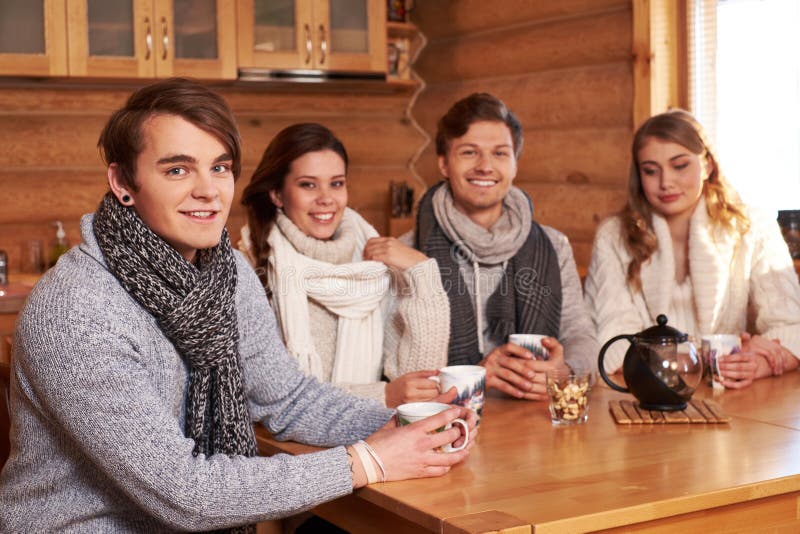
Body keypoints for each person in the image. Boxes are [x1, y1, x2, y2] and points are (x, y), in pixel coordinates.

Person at [0, 78, 476, 532]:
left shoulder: (226, 273)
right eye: (177, 169)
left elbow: (288, 400)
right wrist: (368, 461)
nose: (208, 190)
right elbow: (183, 492)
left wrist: (409, 424)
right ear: (123, 181)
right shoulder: (76, 310)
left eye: (220, 167)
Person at [239, 123, 452, 408]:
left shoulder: (373, 268)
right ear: (277, 194)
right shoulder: (250, 268)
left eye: (336, 183)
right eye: (308, 184)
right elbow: (266, 397)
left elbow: (419, 386)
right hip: (286, 438)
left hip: (374, 431)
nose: (326, 198)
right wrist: (381, 396)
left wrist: (423, 272)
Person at [584, 109, 800, 388]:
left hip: (731, 395)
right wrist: (708, 357)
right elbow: (612, 344)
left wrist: (760, 361)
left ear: (708, 165)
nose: (666, 182)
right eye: (650, 170)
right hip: (643, 396)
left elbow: (792, 328)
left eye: (680, 165)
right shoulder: (614, 236)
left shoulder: (753, 227)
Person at [411, 92, 597, 401]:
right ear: (443, 163)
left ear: (514, 165)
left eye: (500, 153)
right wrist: (476, 375)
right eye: (469, 152)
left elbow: (580, 335)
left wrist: (565, 371)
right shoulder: (410, 253)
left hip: (533, 414)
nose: (485, 166)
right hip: (450, 415)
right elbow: (399, 371)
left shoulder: (553, 245)